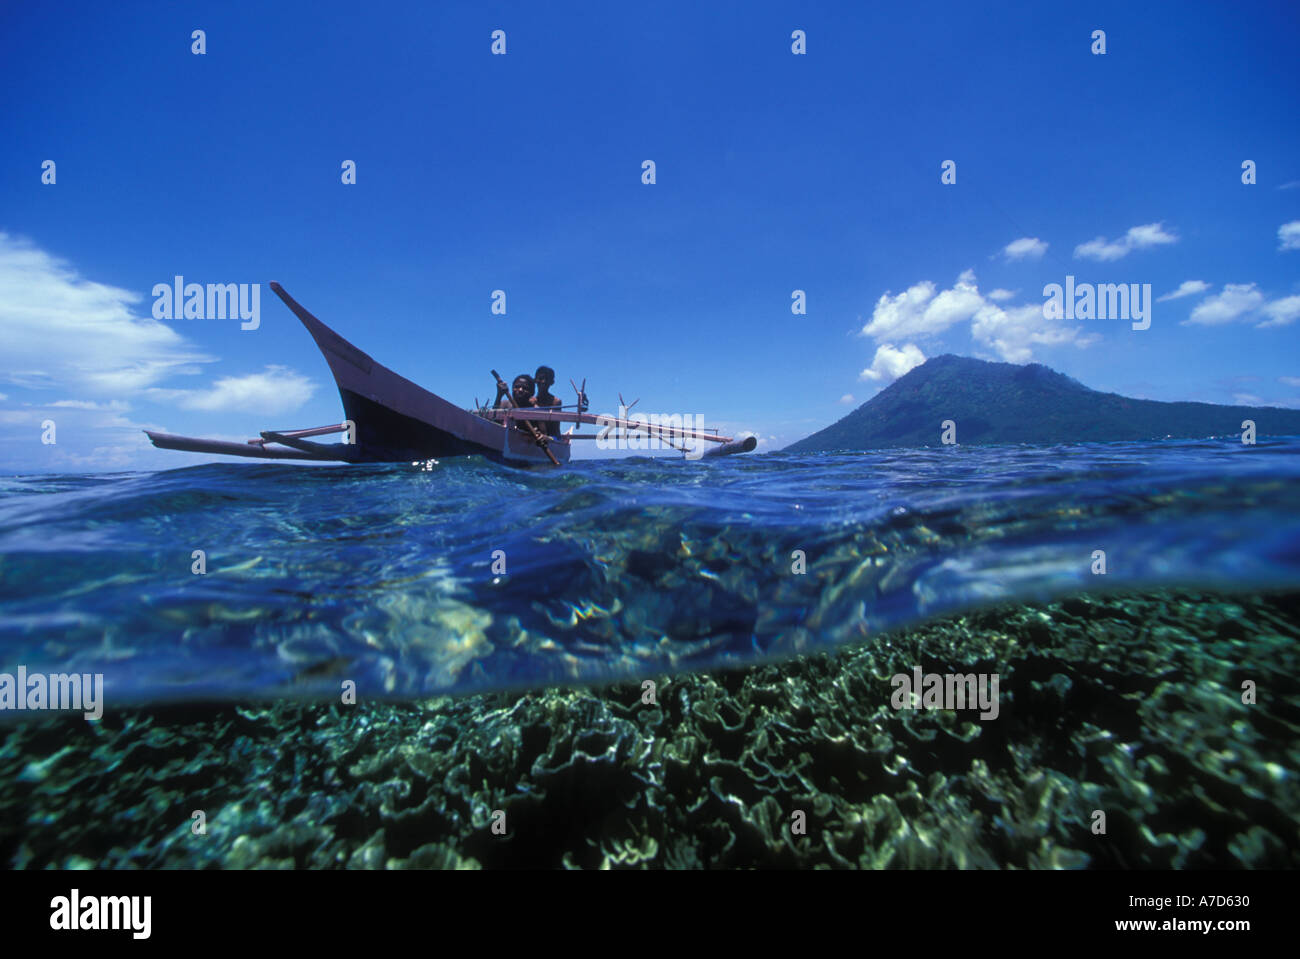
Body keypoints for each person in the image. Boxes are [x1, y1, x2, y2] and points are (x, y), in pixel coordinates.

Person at [533, 366, 562, 438]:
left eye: (547, 379)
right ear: (535, 380)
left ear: (552, 382)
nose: (543, 381)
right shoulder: (531, 400)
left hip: (552, 436)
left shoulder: (556, 402)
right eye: (541, 378)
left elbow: (555, 428)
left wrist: (546, 437)